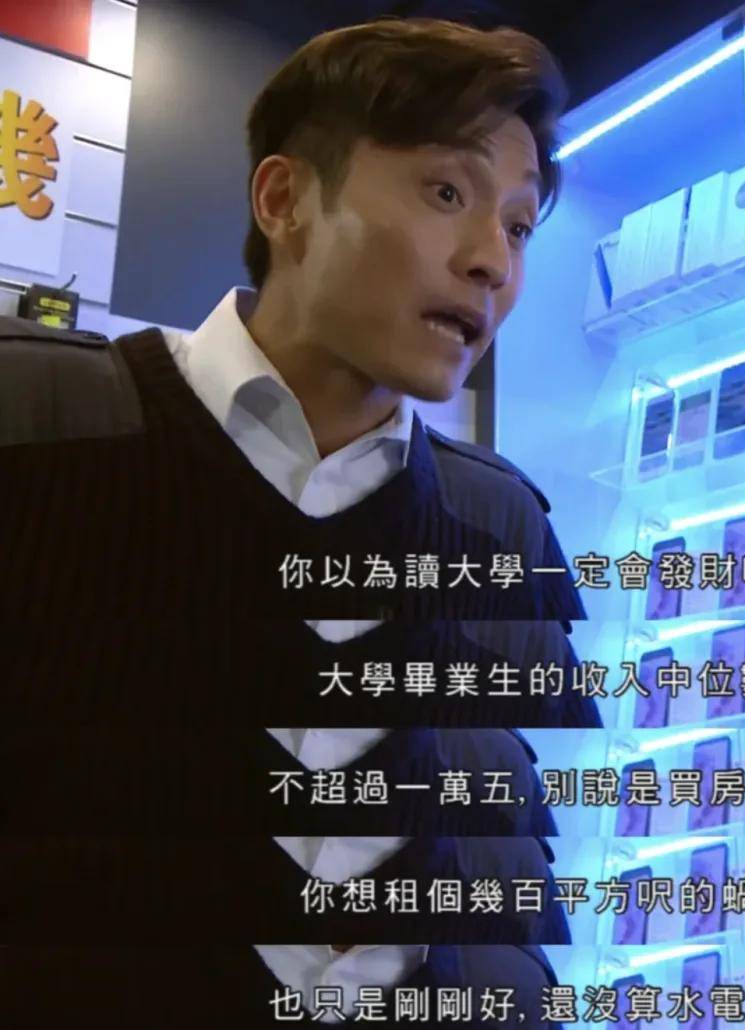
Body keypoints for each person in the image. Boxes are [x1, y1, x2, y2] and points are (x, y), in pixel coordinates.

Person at [1, 17, 592, 1027]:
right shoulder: (37, 428)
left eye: (520, 225)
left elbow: (502, 872)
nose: (492, 260)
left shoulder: (503, 528)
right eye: (447, 193)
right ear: (284, 201)